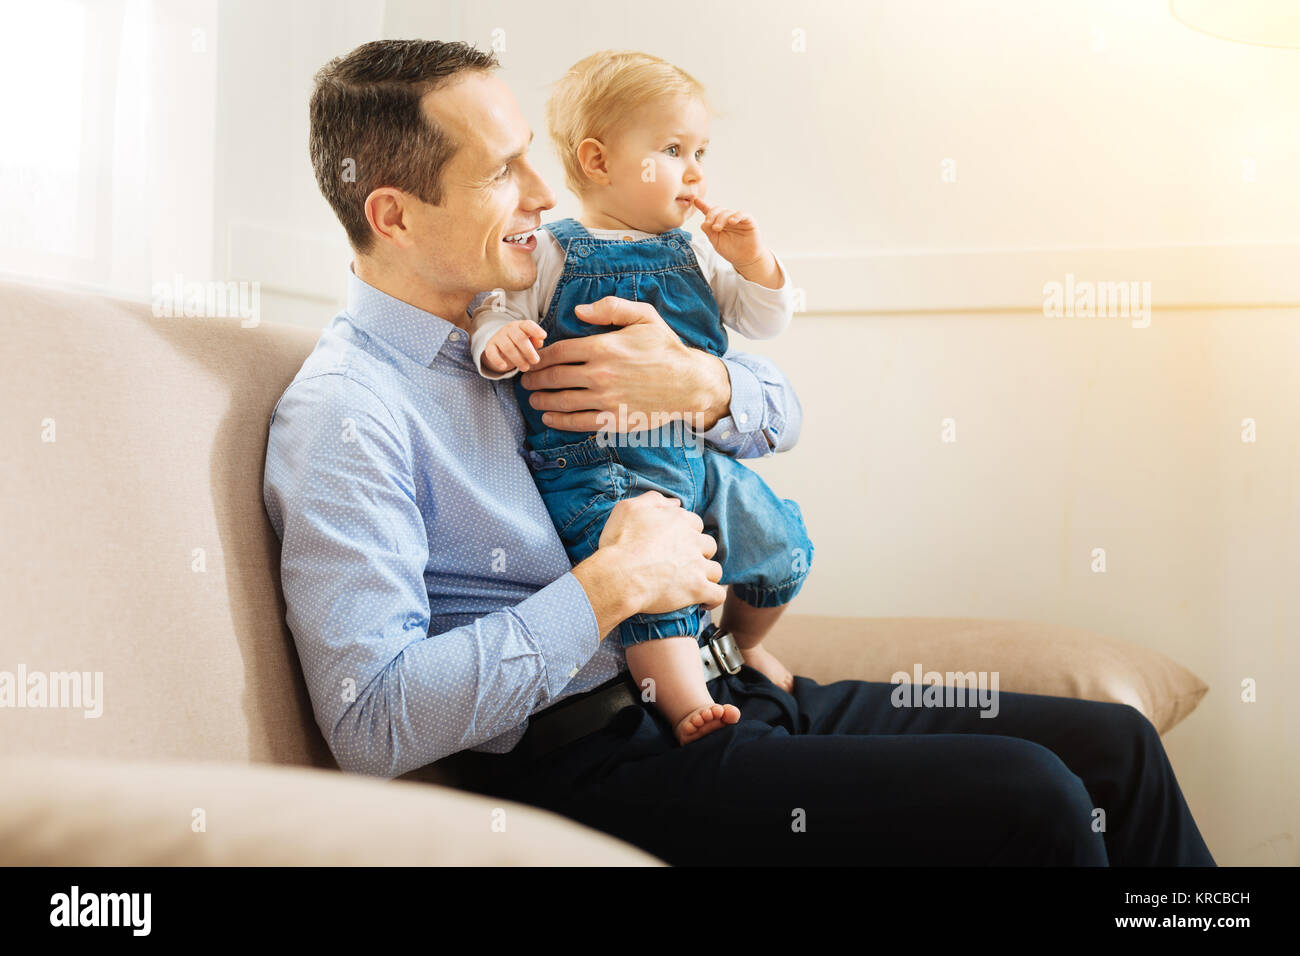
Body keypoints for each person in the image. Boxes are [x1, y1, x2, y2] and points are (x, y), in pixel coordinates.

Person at [263, 38, 1216, 866]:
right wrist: (612, 585)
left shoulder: (536, 308)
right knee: (1035, 796)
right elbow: (370, 720)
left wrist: (703, 385)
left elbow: (780, 414)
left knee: (1116, 752)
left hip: (727, 681)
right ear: (391, 214)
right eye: (503, 170)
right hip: (605, 755)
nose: (545, 192)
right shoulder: (351, 414)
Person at [468, 50, 812, 745]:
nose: (696, 172)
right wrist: (495, 338)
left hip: (690, 456)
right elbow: (498, 308)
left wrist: (751, 260)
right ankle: (686, 705)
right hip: (599, 468)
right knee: (645, 576)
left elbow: (764, 318)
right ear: (598, 163)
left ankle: (741, 643)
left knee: (776, 538)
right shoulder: (552, 253)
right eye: (673, 149)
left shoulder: (698, 254)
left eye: (701, 152)